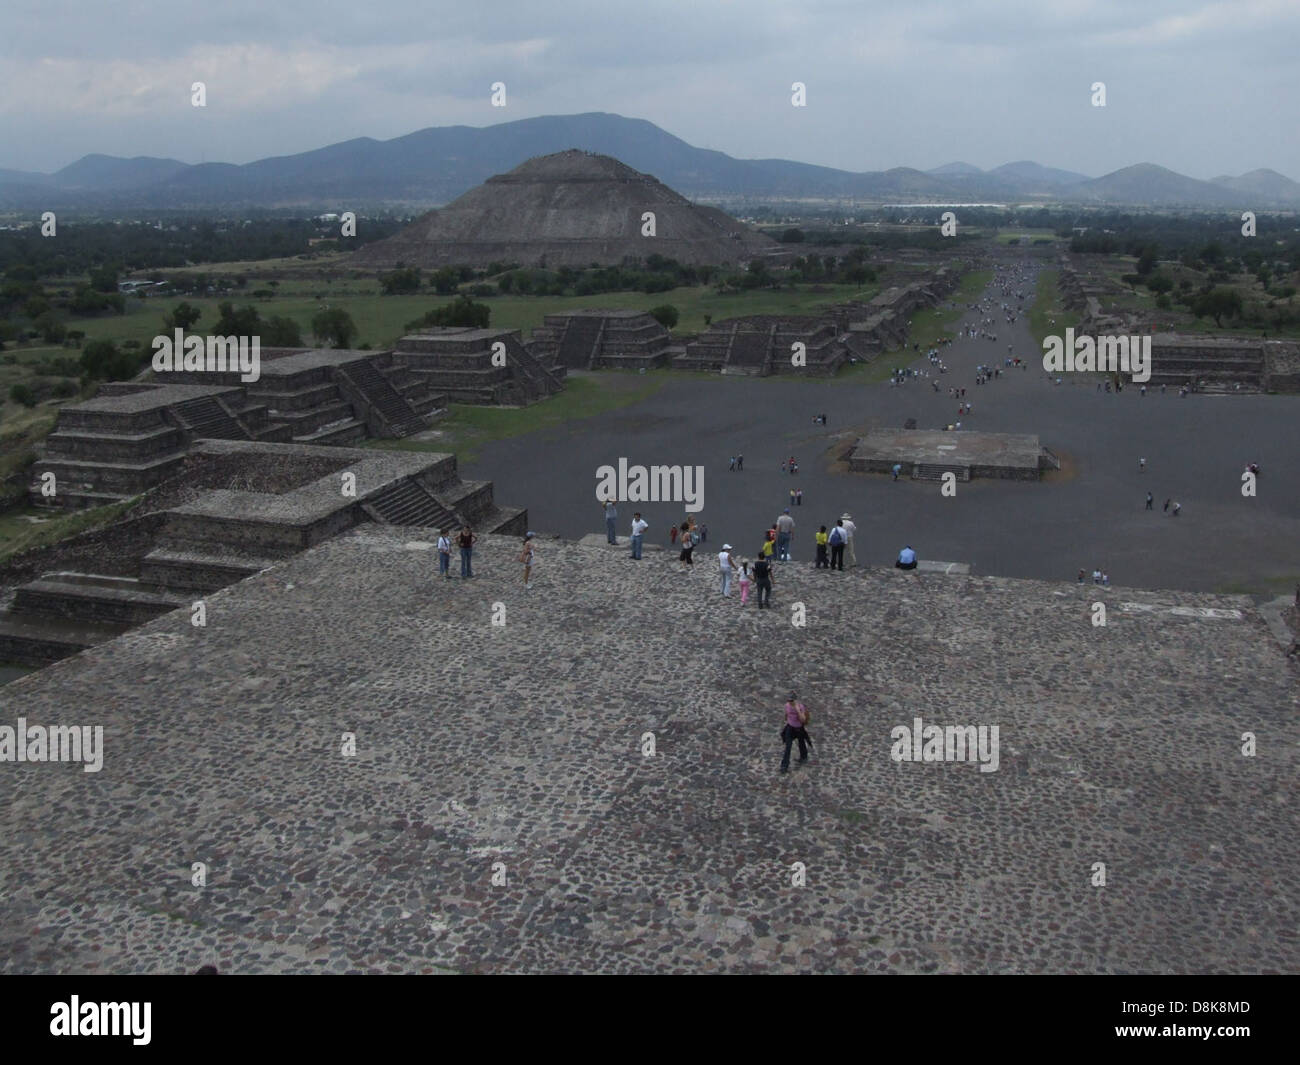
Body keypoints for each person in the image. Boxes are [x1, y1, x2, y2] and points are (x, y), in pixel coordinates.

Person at [779, 691, 811, 773]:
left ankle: (804, 756)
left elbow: (803, 719)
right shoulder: (787, 705)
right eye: (789, 700)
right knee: (788, 747)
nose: (790, 702)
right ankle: (784, 766)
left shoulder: (800, 707)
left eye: (791, 701)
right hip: (790, 728)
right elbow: (786, 714)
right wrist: (787, 720)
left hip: (799, 728)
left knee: (801, 742)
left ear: (795, 700)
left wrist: (798, 711)